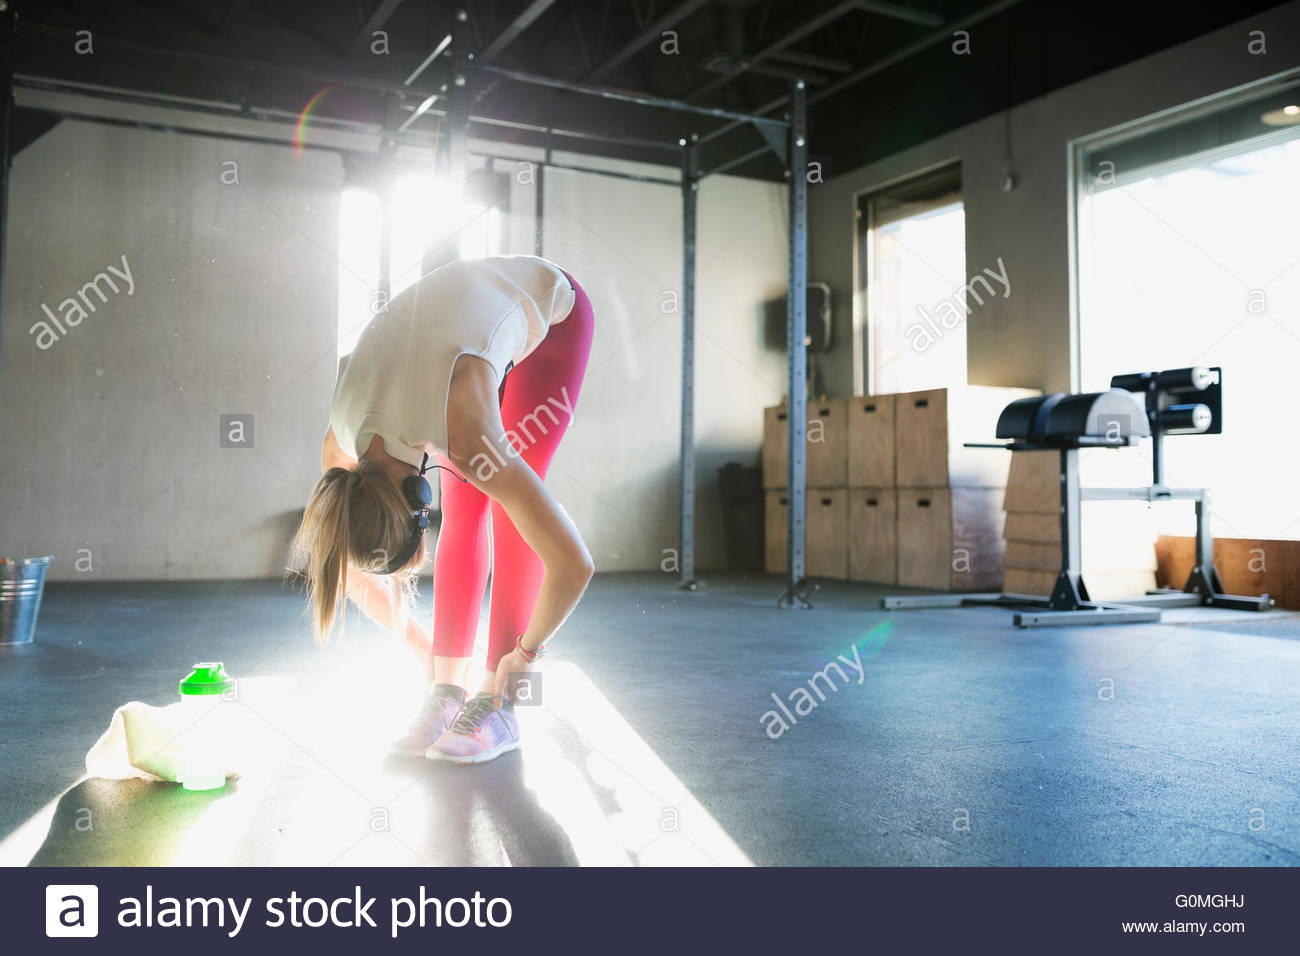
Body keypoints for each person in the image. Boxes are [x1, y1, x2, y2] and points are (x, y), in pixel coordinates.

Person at [291, 255, 595, 764]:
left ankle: (497, 702)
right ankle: (446, 689)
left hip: (555, 321)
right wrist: (420, 647)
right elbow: (339, 565)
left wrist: (526, 655)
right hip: (459, 340)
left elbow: (573, 563)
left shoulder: (461, 422)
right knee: (467, 497)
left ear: (416, 502)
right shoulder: (342, 445)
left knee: (507, 503)